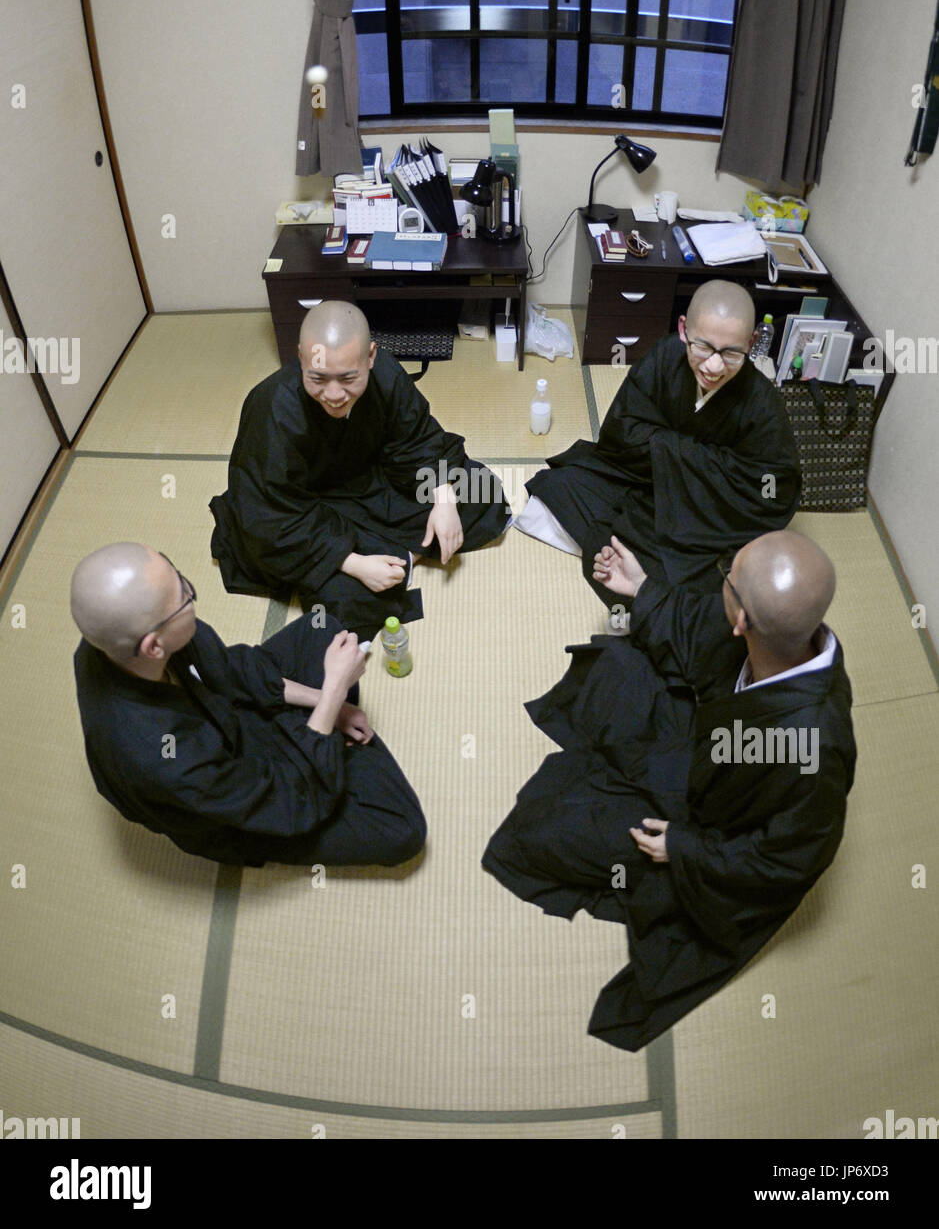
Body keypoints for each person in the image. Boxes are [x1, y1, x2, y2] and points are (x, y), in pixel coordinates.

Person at [481, 529, 856, 1052]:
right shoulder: (787, 637)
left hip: (712, 831)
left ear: (744, 621)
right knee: (615, 665)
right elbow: (701, 626)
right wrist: (643, 590)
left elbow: (788, 860)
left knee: (538, 833)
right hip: (707, 751)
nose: (723, 577)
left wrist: (684, 848)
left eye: (728, 577)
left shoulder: (813, 747)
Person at [71, 543, 426, 868]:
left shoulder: (116, 642)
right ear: (153, 647)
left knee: (322, 631)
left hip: (223, 715)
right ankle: (319, 752)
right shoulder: (162, 758)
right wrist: (334, 693)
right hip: (234, 797)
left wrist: (325, 703)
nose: (190, 595)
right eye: (183, 596)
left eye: (178, 577)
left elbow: (228, 669)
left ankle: (315, 743)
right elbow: (291, 802)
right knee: (401, 829)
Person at [210, 301, 510, 636]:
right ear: (301, 357)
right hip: (311, 510)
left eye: (348, 378)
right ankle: (392, 556)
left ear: (370, 357)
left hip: (374, 480)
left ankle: (399, 554)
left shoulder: (385, 373)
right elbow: (267, 514)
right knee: (341, 600)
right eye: (318, 378)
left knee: (480, 491)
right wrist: (353, 563)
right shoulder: (272, 407)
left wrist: (443, 498)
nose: (333, 394)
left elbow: (417, 438)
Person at [514, 280, 802, 608]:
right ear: (683, 330)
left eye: (731, 353)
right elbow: (621, 430)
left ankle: (638, 572)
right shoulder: (665, 356)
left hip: (705, 519)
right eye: (703, 347)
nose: (714, 366)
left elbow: (773, 491)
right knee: (558, 486)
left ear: (751, 343)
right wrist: (681, 459)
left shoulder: (762, 403)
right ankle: (632, 560)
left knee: (705, 587)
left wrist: (676, 457)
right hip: (643, 480)